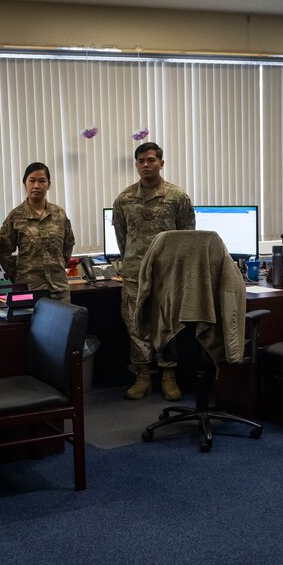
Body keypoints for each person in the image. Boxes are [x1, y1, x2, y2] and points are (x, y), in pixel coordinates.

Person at [112, 142, 196, 401]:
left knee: (167, 325)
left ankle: (169, 375)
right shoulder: (124, 200)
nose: (145, 165)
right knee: (136, 325)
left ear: (161, 163)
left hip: (166, 273)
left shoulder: (177, 197)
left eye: (150, 160)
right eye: (140, 161)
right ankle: (143, 376)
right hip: (135, 273)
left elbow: (187, 236)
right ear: (136, 165)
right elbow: (122, 239)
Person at [0, 162, 76, 301]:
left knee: (62, 322)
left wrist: (58, 267)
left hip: (58, 289)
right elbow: (4, 252)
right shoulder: (15, 217)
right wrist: (18, 276)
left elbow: (68, 244)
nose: (36, 186)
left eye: (42, 181)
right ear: (25, 183)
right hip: (28, 288)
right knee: (30, 323)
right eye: (32, 181)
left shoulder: (59, 214)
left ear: (48, 184)